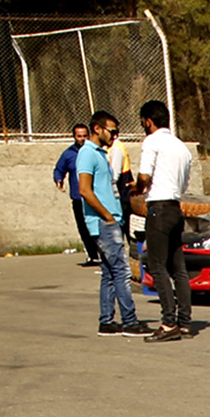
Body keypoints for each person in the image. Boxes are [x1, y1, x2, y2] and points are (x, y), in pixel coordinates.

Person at [75, 112, 145, 335]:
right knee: (121, 271)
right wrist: (106, 215)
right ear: (98, 129)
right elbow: (84, 190)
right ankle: (129, 321)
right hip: (104, 222)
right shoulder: (87, 154)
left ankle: (106, 321)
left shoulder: (100, 153)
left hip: (111, 219)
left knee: (108, 272)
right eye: (111, 131)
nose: (114, 135)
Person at [134, 99, 196, 341]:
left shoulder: (152, 142)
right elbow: (184, 183)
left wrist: (136, 189)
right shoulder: (182, 148)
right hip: (175, 208)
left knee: (158, 266)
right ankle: (185, 322)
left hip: (158, 208)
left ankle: (168, 323)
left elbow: (144, 175)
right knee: (178, 268)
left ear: (148, 121)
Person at [53, 124, 96, 264]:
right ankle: (92, 255)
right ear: (74, 137)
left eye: (85, 135)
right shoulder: (69, 154)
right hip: (78, 197)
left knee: (96, 226)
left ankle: (102, 253)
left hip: (94, 196)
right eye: (79, 136)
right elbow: (59, 169)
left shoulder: (94, 151)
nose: (82, 139)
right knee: (83, 227)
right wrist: (59, 179)